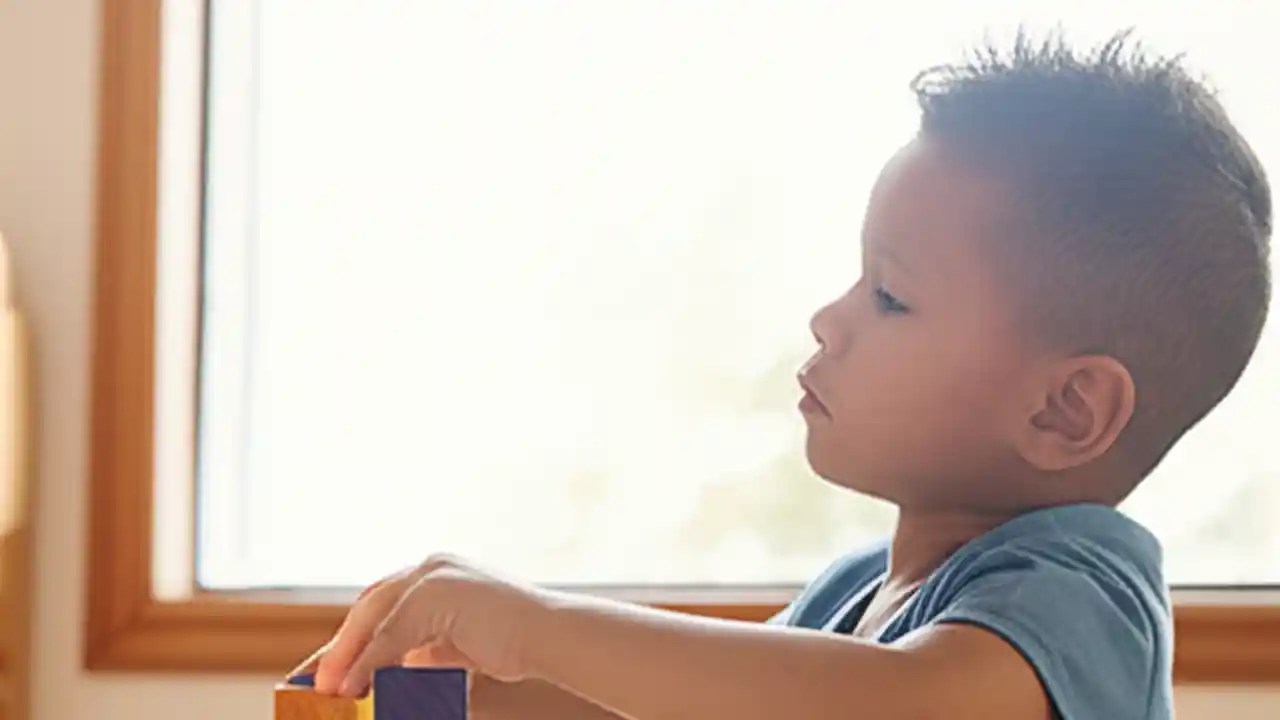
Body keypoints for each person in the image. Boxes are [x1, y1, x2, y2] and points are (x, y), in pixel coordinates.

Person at [289, 32, 1271, 720]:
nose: (828, 319)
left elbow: (905, 708)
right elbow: (705, 705)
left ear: (1064, 410)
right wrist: (463, 687)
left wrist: (536, 627)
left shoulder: (1079, 589)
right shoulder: (851, 596)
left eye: (889, 298)